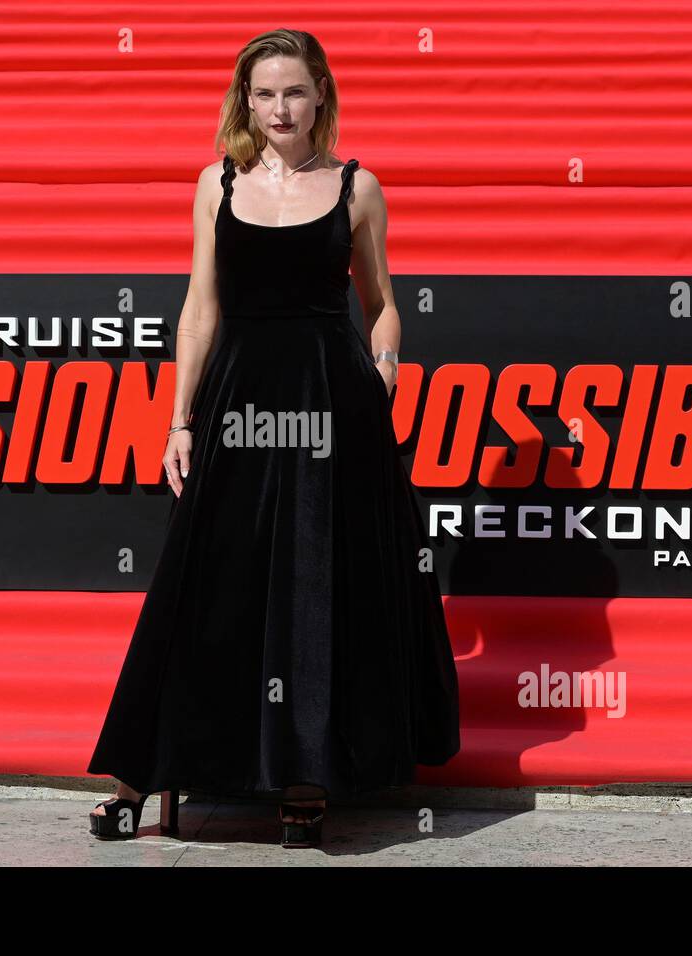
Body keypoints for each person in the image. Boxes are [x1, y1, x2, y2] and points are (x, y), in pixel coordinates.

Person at [87, 28, 461, 848]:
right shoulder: (214, 185)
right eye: (264, 93)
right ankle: (136, 778)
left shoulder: (358, 187)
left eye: (294, 91)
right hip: (239, 401)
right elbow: (200, 307)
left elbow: (383, 301)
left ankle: (305, 774)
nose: (279, 108)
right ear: (244, 100)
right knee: (205, 581)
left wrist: (385, 367)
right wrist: (180, 420)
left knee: (315, 584)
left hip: (334, 403)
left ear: (319, 94)